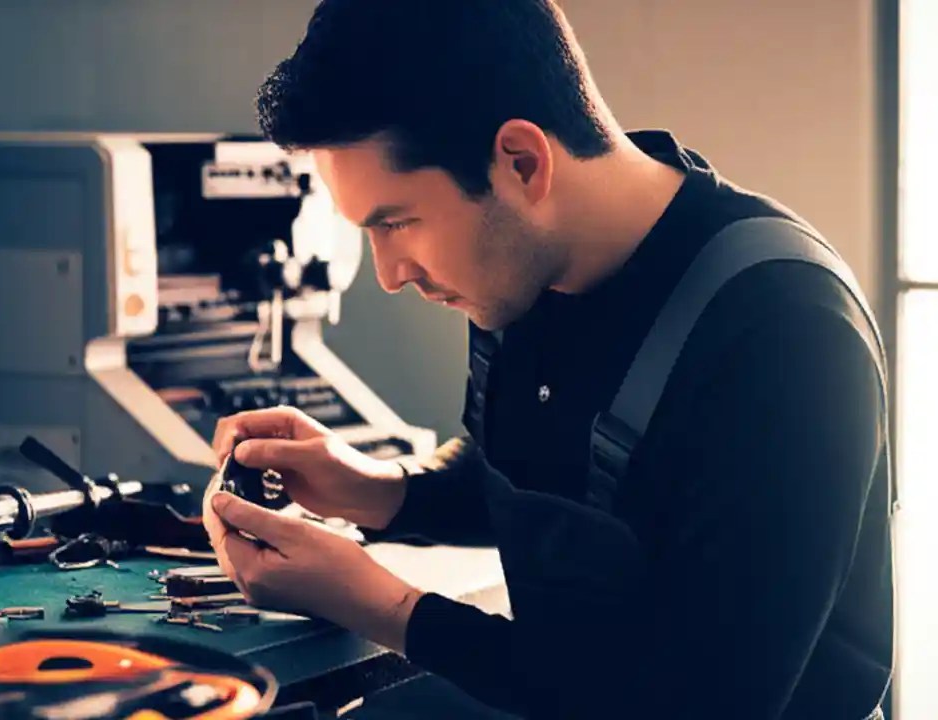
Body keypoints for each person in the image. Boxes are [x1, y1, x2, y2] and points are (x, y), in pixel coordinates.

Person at [201, 1, 895, 718]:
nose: (390, 274)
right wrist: (376, 490)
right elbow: (539, 477)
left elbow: (704, 702)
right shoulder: (519, 273)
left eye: (397, 222)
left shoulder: (785, 331)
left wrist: (386, 607)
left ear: (522, 163)